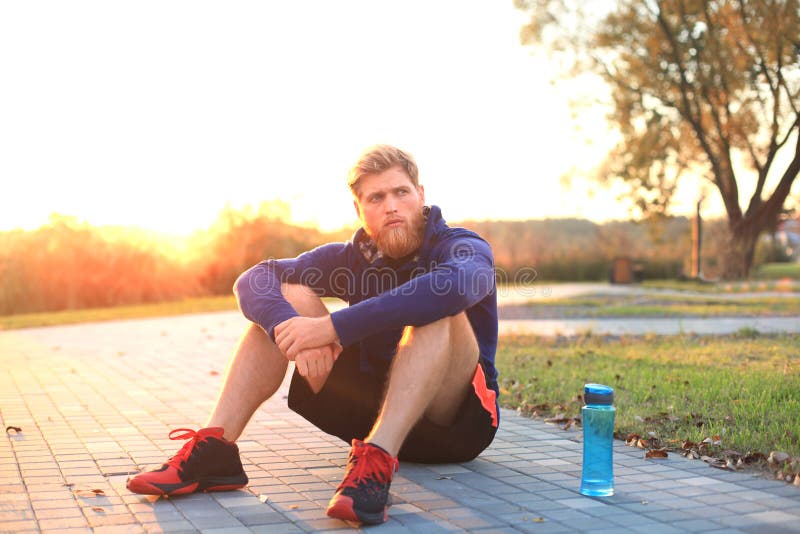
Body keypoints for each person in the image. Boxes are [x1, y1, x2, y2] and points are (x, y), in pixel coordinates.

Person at [126, 144, 500, 524]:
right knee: (287, 295)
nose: (391, 206)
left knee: (438, 305)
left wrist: (332, 328)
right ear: (359, 209)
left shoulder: (462, 247)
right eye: (376, 198)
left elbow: (456, 287)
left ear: (420, 195)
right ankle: (216, 449)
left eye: (401, 192)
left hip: (454, 426)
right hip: (366, 412)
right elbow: (255, 278)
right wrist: (289, 331)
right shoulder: (349, 258)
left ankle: (378, 460)